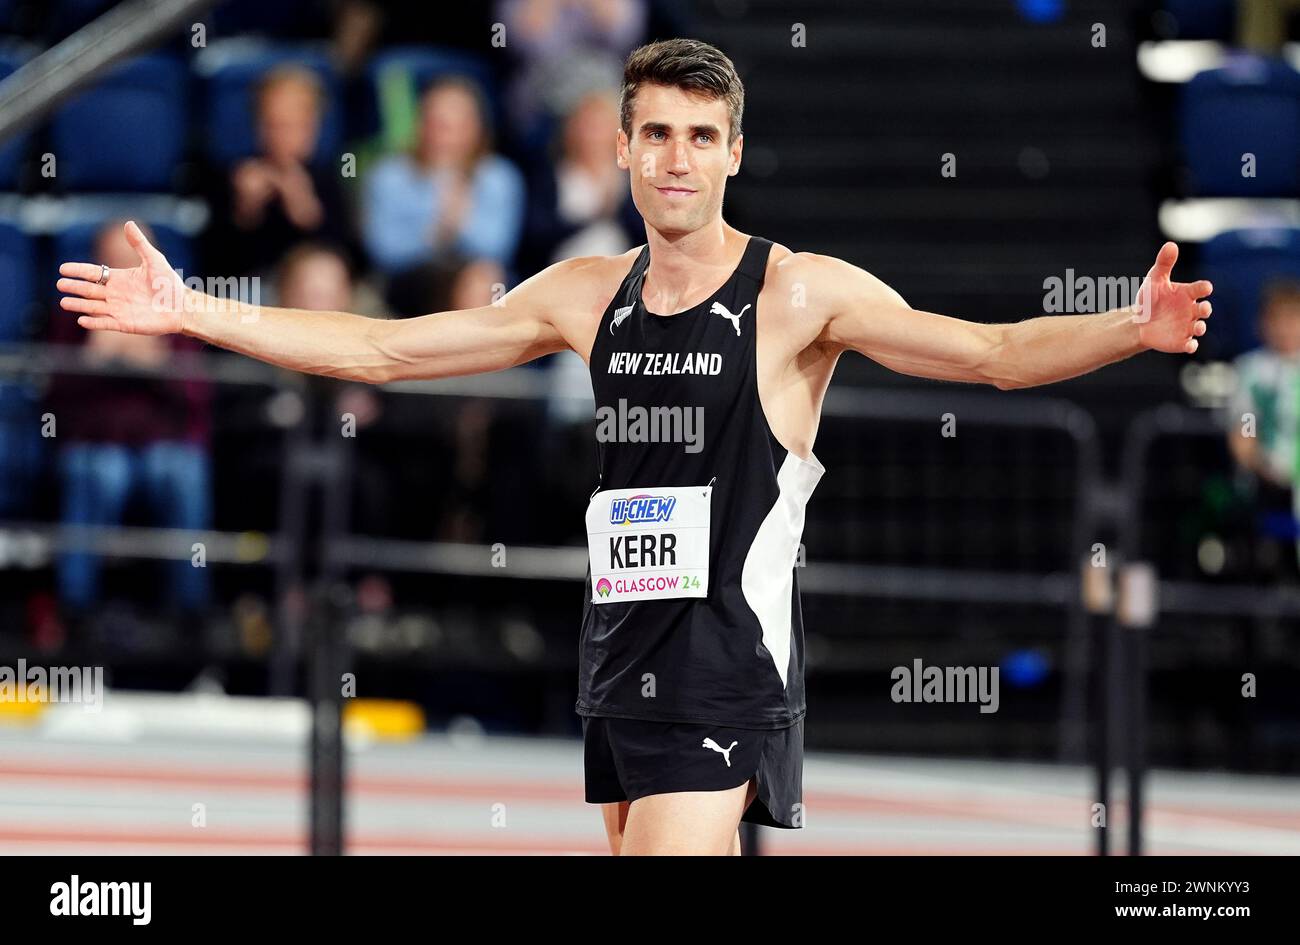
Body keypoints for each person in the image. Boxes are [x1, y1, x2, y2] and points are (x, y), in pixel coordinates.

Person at [57, 38, 1213, 855]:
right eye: (654, 133)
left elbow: (993, 352)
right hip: (617, 660)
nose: (675, 157)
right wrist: (197, 311)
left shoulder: (798, 294)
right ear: (620, 148)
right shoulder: (581, 293)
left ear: (733, 154)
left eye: (700, 137)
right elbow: (384, 350)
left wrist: (1132, 326)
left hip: (727, 667)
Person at [48, 220, 212, 618]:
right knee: (99, 472)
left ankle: (189, 615)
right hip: (98, 443)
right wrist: (91, 361)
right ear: (96, 267)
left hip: (163, 444)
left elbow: (200, 398)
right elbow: (52, 402)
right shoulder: (74, 314)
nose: (126, 276)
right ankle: (75, 614)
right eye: (113, 266)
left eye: (135, 264)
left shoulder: (177, 313)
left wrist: (158, 366)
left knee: (182, 473)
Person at [362, 76, 524, 282]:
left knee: (483, 276)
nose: (447, 137)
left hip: (477, 283)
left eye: (458, 126)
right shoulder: (388, 175)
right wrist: (435, 234)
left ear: (477, 128)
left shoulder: (499, 176)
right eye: (439, 124)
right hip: (408, 283)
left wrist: (461, 223)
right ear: (420, 124)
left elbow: (499, 251)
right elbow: (383, 252)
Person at [206, 66, 359, 277]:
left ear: (313, 128)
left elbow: (352, 264)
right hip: (254, 295)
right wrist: (246, 211)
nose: (280, 137)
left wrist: (307, 211)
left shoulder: (332, 177)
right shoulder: (233, 176)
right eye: (271, 125)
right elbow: (214, 271)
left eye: (292, 126)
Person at [1226, 279, 1300, 578]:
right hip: (1270, 484)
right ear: (1262, 324)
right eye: (1276, 318)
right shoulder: (1252, 373)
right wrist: (1261, 463)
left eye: (1293, 317)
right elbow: (1244, 433)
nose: (1285, 327)